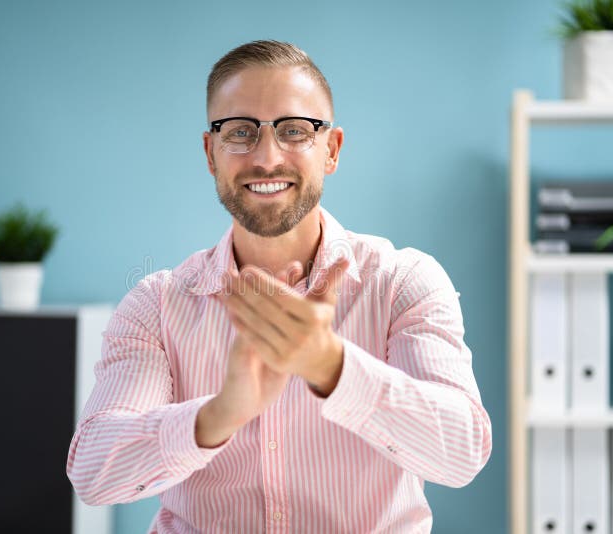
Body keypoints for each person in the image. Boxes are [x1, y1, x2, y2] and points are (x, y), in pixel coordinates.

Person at [67, 40, 492, 533]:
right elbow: (94, 475)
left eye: (294, 131)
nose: (267, 158)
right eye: (239, 132)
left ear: (331, 149)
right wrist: (219, 415)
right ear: (210, 153)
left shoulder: (403, 283)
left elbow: (461, 454)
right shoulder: (156, 305)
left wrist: (332, 369)